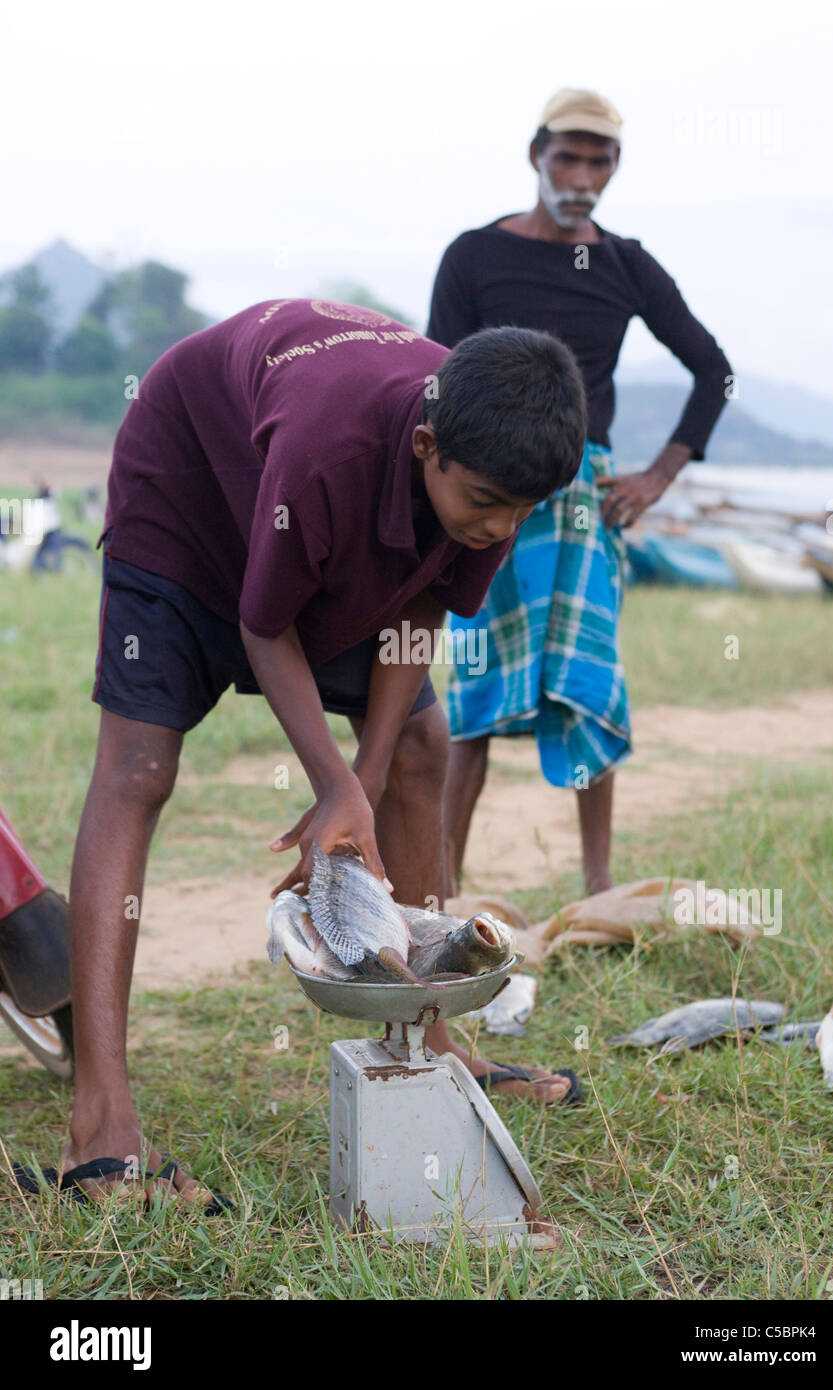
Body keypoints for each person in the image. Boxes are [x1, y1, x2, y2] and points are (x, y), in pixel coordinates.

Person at [49, 297, 589, 1209]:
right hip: (187, 496)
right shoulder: (330, 446)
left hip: (308, 514)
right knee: (138, 769)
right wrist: (331, 782)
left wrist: (361, 781)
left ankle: (434, 1044)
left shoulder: (490, 466)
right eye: (487, 504)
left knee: (419, 743)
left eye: (524, 512)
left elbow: (423, 602)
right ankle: (100, 1129)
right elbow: (264, 624)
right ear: (427, 446)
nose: (502, 528)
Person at [428, 88, 733, 898]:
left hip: (581, 509)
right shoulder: (474, 256)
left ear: (615, 167)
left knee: (589, 682)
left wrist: (658, 475)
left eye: (600, 162)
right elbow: (434, 376)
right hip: (485, 501)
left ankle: (598, 890)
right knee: (475, 693)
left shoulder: (627, 266)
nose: (583, 177)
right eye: (568, 158)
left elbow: (714, 370)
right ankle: (441, 889)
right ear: (537, 155)